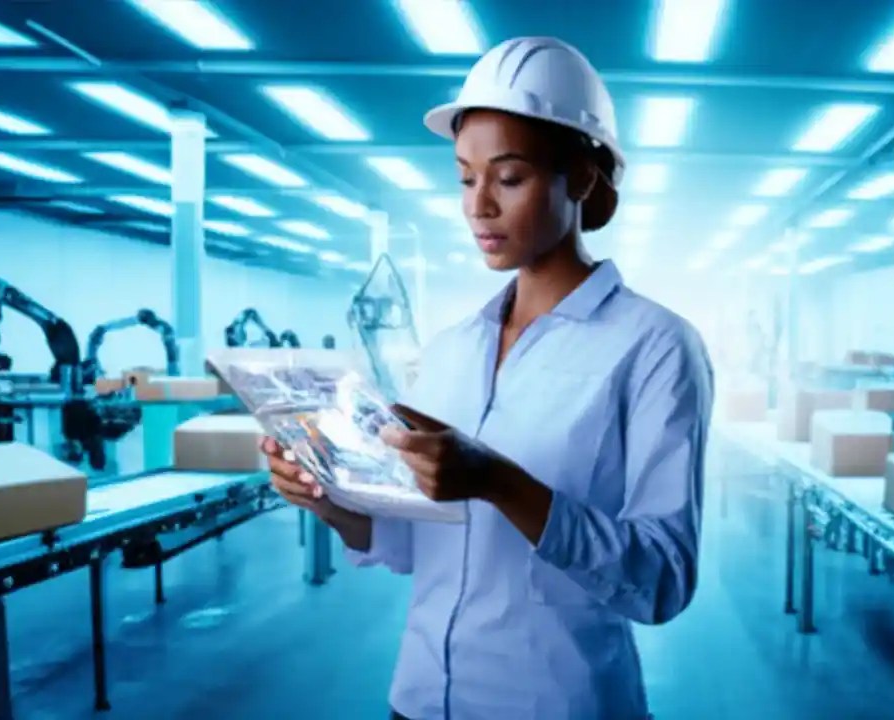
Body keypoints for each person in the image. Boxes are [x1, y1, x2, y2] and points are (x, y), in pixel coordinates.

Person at [263, 36, 714, 720]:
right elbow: (416, 543)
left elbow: (661, 579)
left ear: (582, 178)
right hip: (418, 698)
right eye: (465, 177)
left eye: (509, 178)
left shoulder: (654, 347)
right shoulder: (451, 351)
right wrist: (329, 499)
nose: (479, 206)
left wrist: (501, 482)